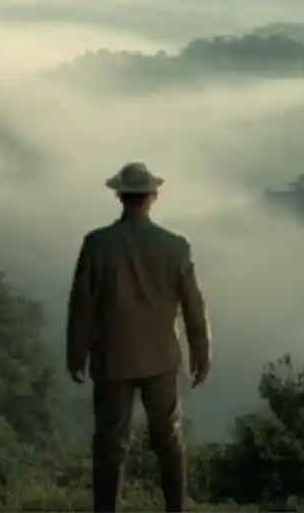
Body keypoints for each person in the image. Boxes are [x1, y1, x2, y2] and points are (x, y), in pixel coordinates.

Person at [66, 162, 211, 512]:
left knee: (110, 444)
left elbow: (81, 306)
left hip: (112, 358)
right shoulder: (175, 246)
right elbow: (193, 305)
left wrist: (76, 354)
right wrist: (201, 353)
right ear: (152, 196)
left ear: (119, 195)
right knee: (169, 439)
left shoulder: (97, 244)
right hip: (161, 358)